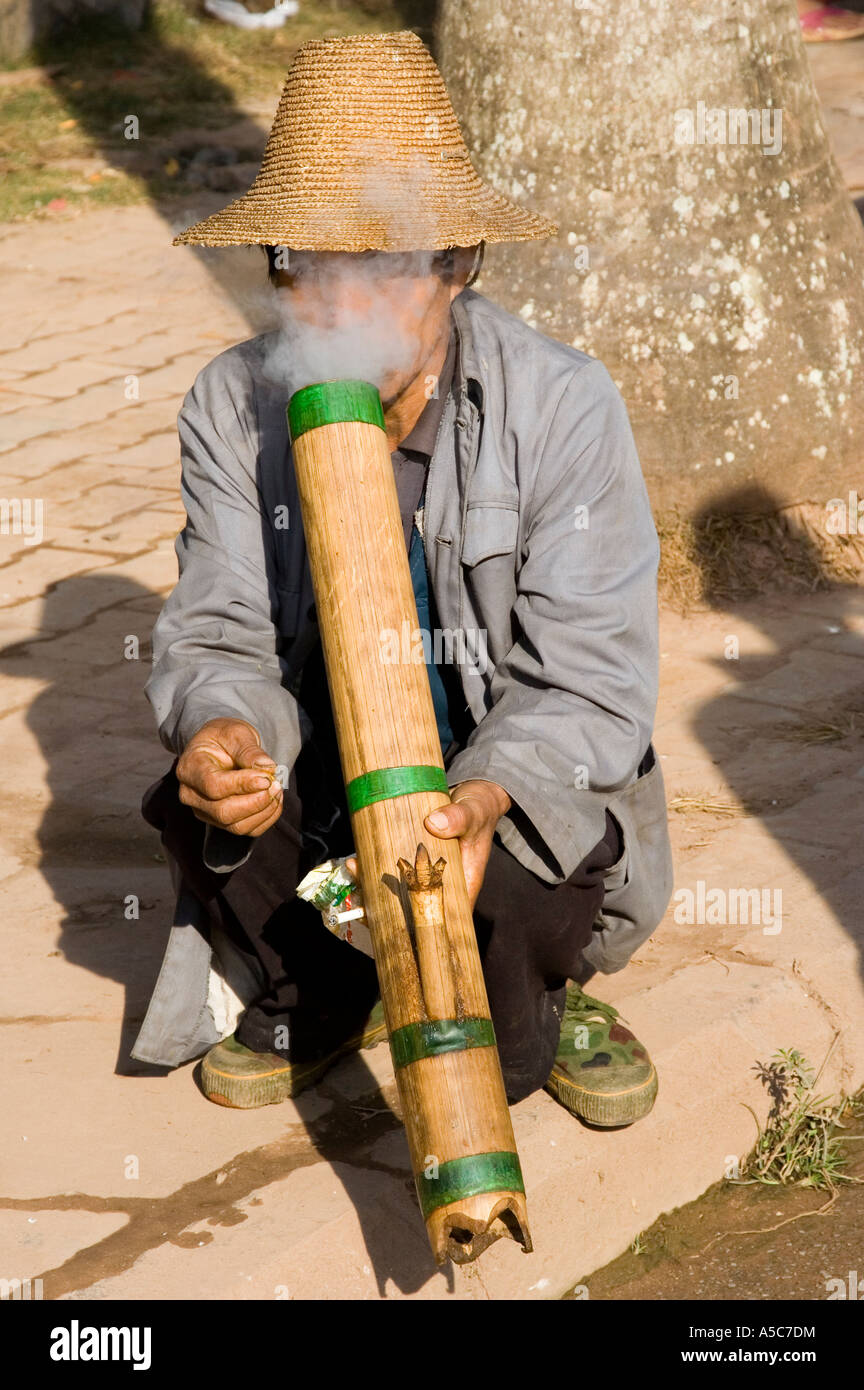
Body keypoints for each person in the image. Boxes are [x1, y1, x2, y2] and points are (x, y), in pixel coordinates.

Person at [132, 30, 673, 1129]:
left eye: (382, 264)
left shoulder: (563, 404)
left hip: (485, 782)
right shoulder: (229, 405)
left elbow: (590, 684)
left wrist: (477, 797)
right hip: (331, 767)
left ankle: (546, 999)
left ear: (457, 262)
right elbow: (220, 625)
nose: (336, 304)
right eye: (303, 261)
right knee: (197, 806)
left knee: (524, 886)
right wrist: (218, 729)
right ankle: (322, 992)